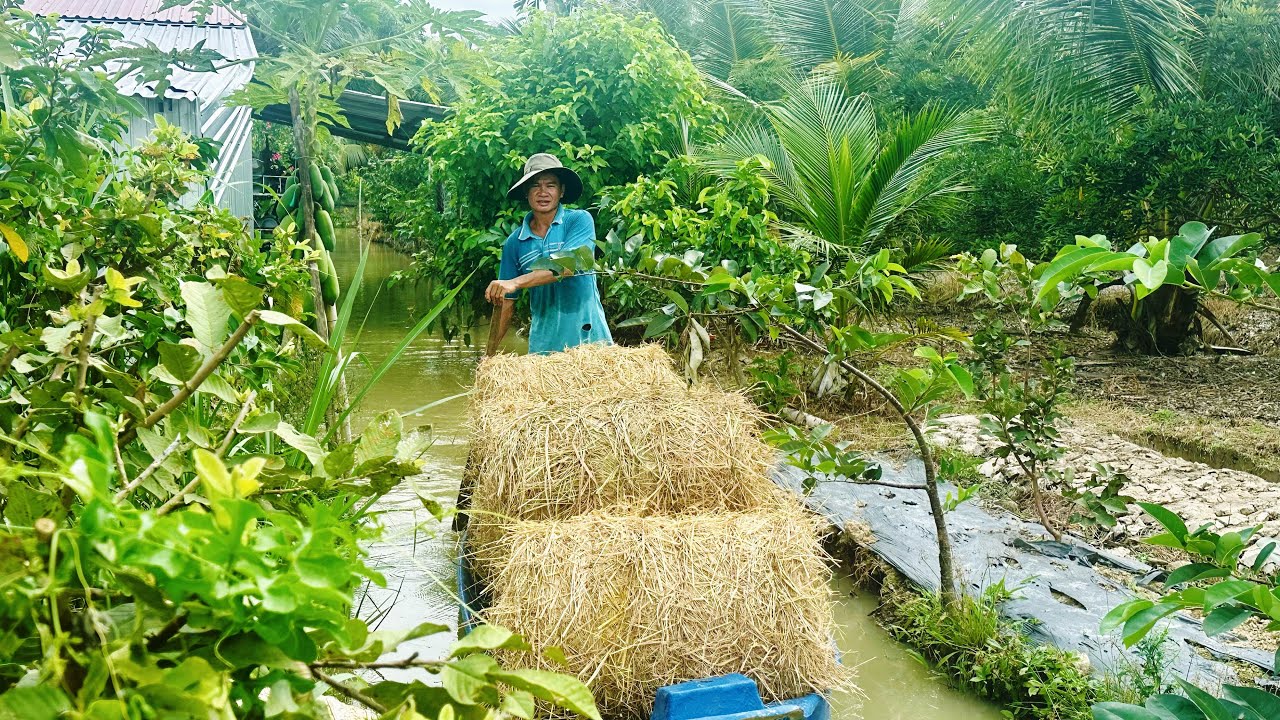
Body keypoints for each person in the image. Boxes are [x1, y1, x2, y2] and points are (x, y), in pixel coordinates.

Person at [484, 153, 613, 355]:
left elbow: (567, 266)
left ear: (561, 191)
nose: (542, 192)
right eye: (535, 185)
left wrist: (515, 282)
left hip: (590, 342)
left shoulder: (579, 220)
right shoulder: (514, 243)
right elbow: (506, 302)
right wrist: (488, 356)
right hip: (543, 350)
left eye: (550, 185)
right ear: (526, 192)